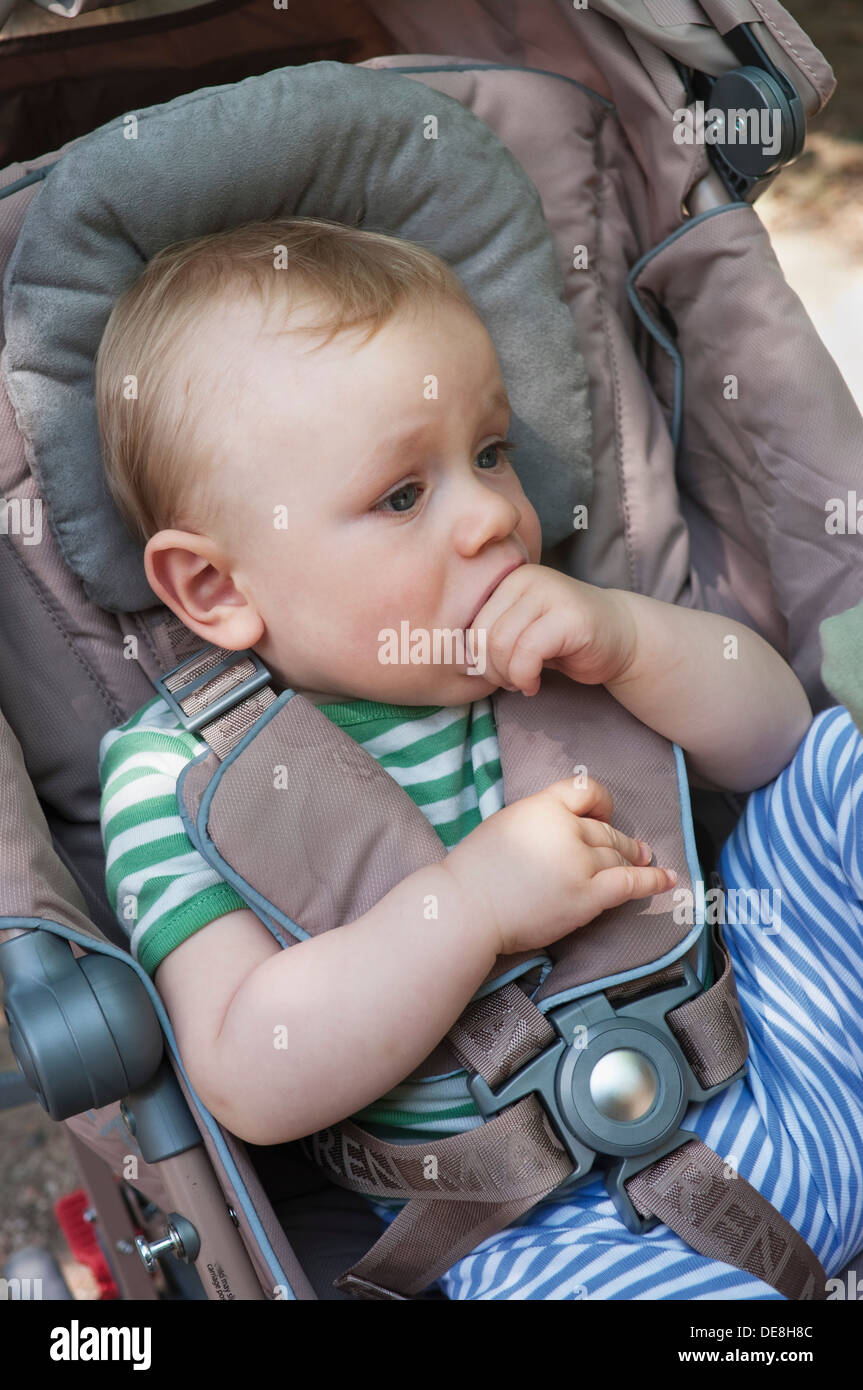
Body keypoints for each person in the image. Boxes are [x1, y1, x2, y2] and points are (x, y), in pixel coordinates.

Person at [96, 217, 862, 1298]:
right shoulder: (183, 772)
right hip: (538, 1225)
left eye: (491, 453)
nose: (495, 517)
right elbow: (246, 1070)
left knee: (839, 767)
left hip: (785, 1051)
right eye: (403, 494)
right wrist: (467, 907)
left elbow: (774, 737)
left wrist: (632, 639)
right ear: (217, 589)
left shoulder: (560, 630)